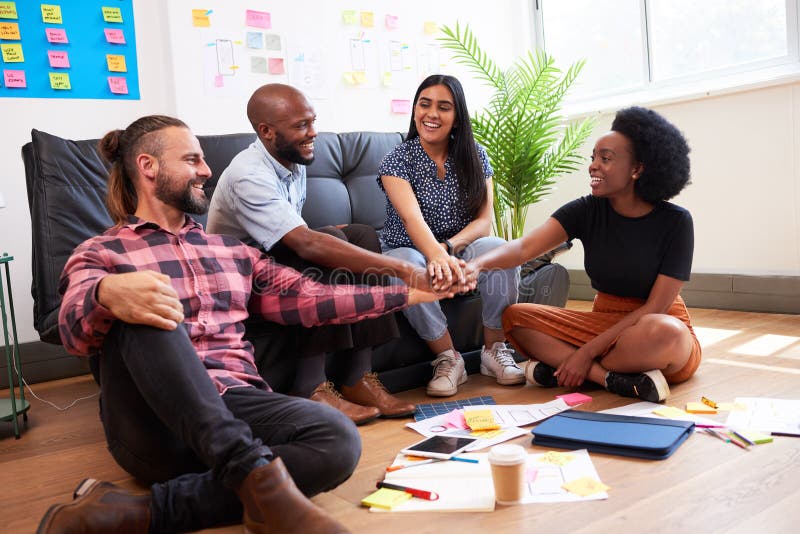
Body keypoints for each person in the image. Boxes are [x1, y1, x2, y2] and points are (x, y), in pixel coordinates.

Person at [38, 115, 456, 534]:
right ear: (149, 166)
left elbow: (314, 300)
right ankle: (253, 469)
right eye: (192, 159)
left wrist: (413, 292)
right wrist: (107, 293)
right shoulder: (102, 252)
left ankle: (136, 512)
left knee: (338, 440)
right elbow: (73, 332)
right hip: (152, 424)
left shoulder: (232, 252)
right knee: (147, 300)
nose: (207, 171)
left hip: (237, 403)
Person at [207, 84, 441, 422]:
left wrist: (342, 240)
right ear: (267, 131)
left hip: (272, 264)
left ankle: (357, 377)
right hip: (239, 282)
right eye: (301, 125)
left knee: (359, 234)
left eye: (312, 122)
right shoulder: (248, 174)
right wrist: (402, 270)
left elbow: (292, 232)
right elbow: (303, 243)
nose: (313, 133)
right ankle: (311, 387)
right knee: (317, 253)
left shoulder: (291, 159)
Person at [470, 106, 701, 403]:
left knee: (666, 333)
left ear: (637, 169)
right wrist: (472, 265)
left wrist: (585, 353)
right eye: (593, 157)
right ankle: (608, 379)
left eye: (605, 159)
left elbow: (654, 307)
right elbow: (523, 248)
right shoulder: (586, 209)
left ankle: (566, 367)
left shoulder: (677, 222)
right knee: (516, 317)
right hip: (601, 324)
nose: (593, 166)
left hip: (649, 327)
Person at [378, 74, 522, 397]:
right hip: (409, 248)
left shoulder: (475, 155)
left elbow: (484, 222)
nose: (432, 114)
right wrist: (437, 256)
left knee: (502, 250)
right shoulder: (396, 160)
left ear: (457, 117)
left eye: (444, 107)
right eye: (424, 104)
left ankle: (493, 351)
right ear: (415, 110)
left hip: (458, 247)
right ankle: (448, 357)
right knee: (406, 266)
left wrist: (449, 249)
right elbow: (412, 220)